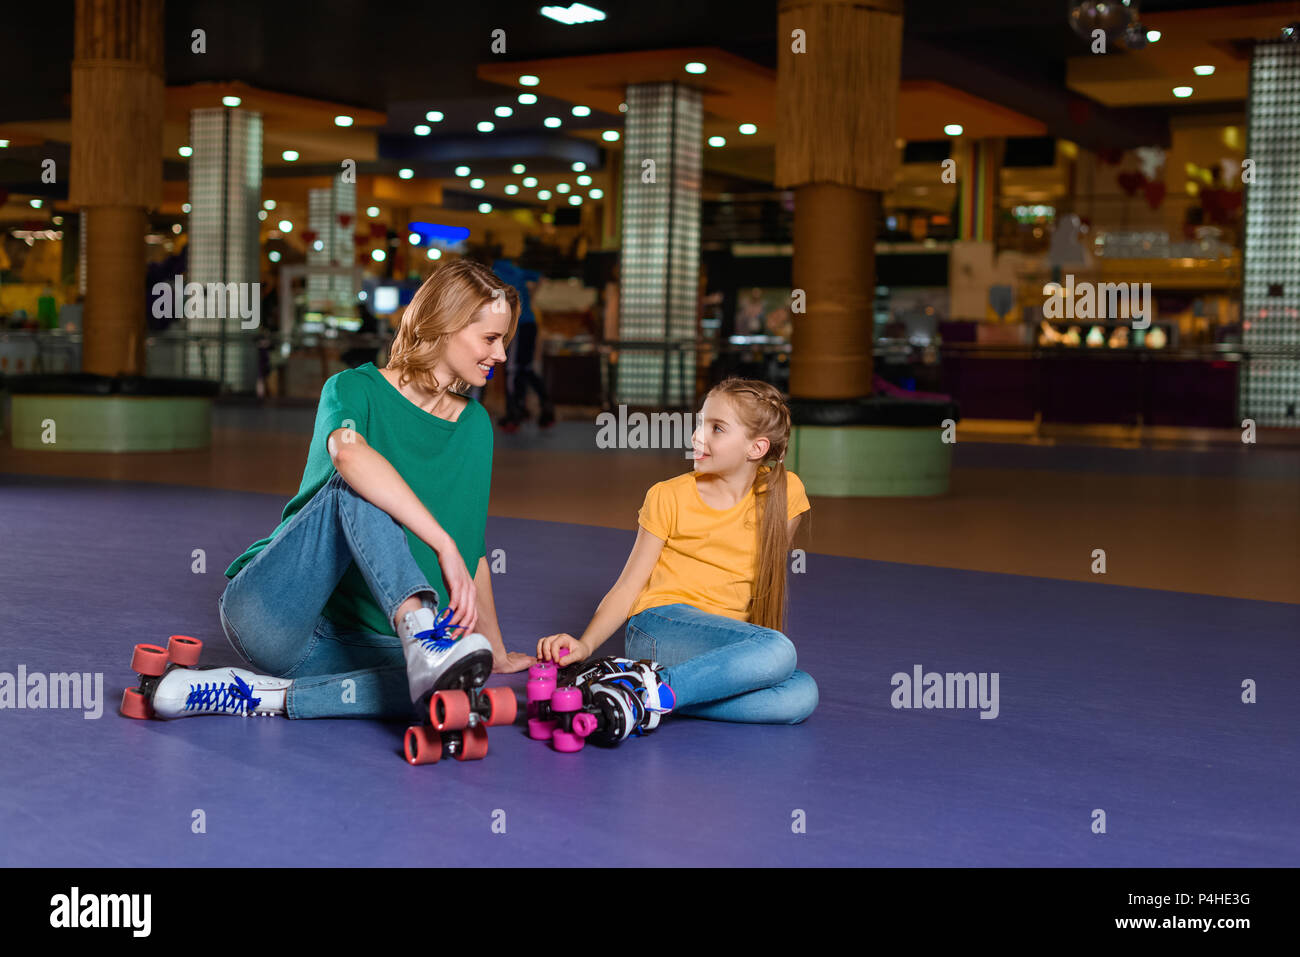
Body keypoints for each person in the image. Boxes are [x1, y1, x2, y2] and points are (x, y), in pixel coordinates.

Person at [140, 259, 538, 720]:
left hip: (361, 646)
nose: (502, 355)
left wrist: (494, 649)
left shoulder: (475, 428)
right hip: (277, 612)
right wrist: (442, 545)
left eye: (505, 341)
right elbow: (350, 458)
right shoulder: (352, 388)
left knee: (449, 692)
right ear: (445, 326)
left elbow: (472, 547)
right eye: (491, 339)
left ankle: (255, 694)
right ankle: (420, 631)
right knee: (357, 484)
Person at [536, 378, 819, 726]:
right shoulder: (668, 496)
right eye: (700, 423)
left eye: (716, 428)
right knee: (779, 651)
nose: (698, 436)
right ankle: (646, 694)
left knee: (801, 694)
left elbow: (765, 578)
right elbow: (628, 587)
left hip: (721, 643)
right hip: (659, 628)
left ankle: (643, 693)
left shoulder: (784, 494)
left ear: (756, 448)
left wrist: (746, 657)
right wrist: (585, 645)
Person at [492, 255, 555, 431]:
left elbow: (495, 306)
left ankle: (514, 413)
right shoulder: (518, 271)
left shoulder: (494, 276)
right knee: (525, 368)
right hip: (529, 323)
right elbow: (541, 278)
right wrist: (530, 299)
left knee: (512, 370)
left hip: (516, 326)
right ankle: (543, 406)